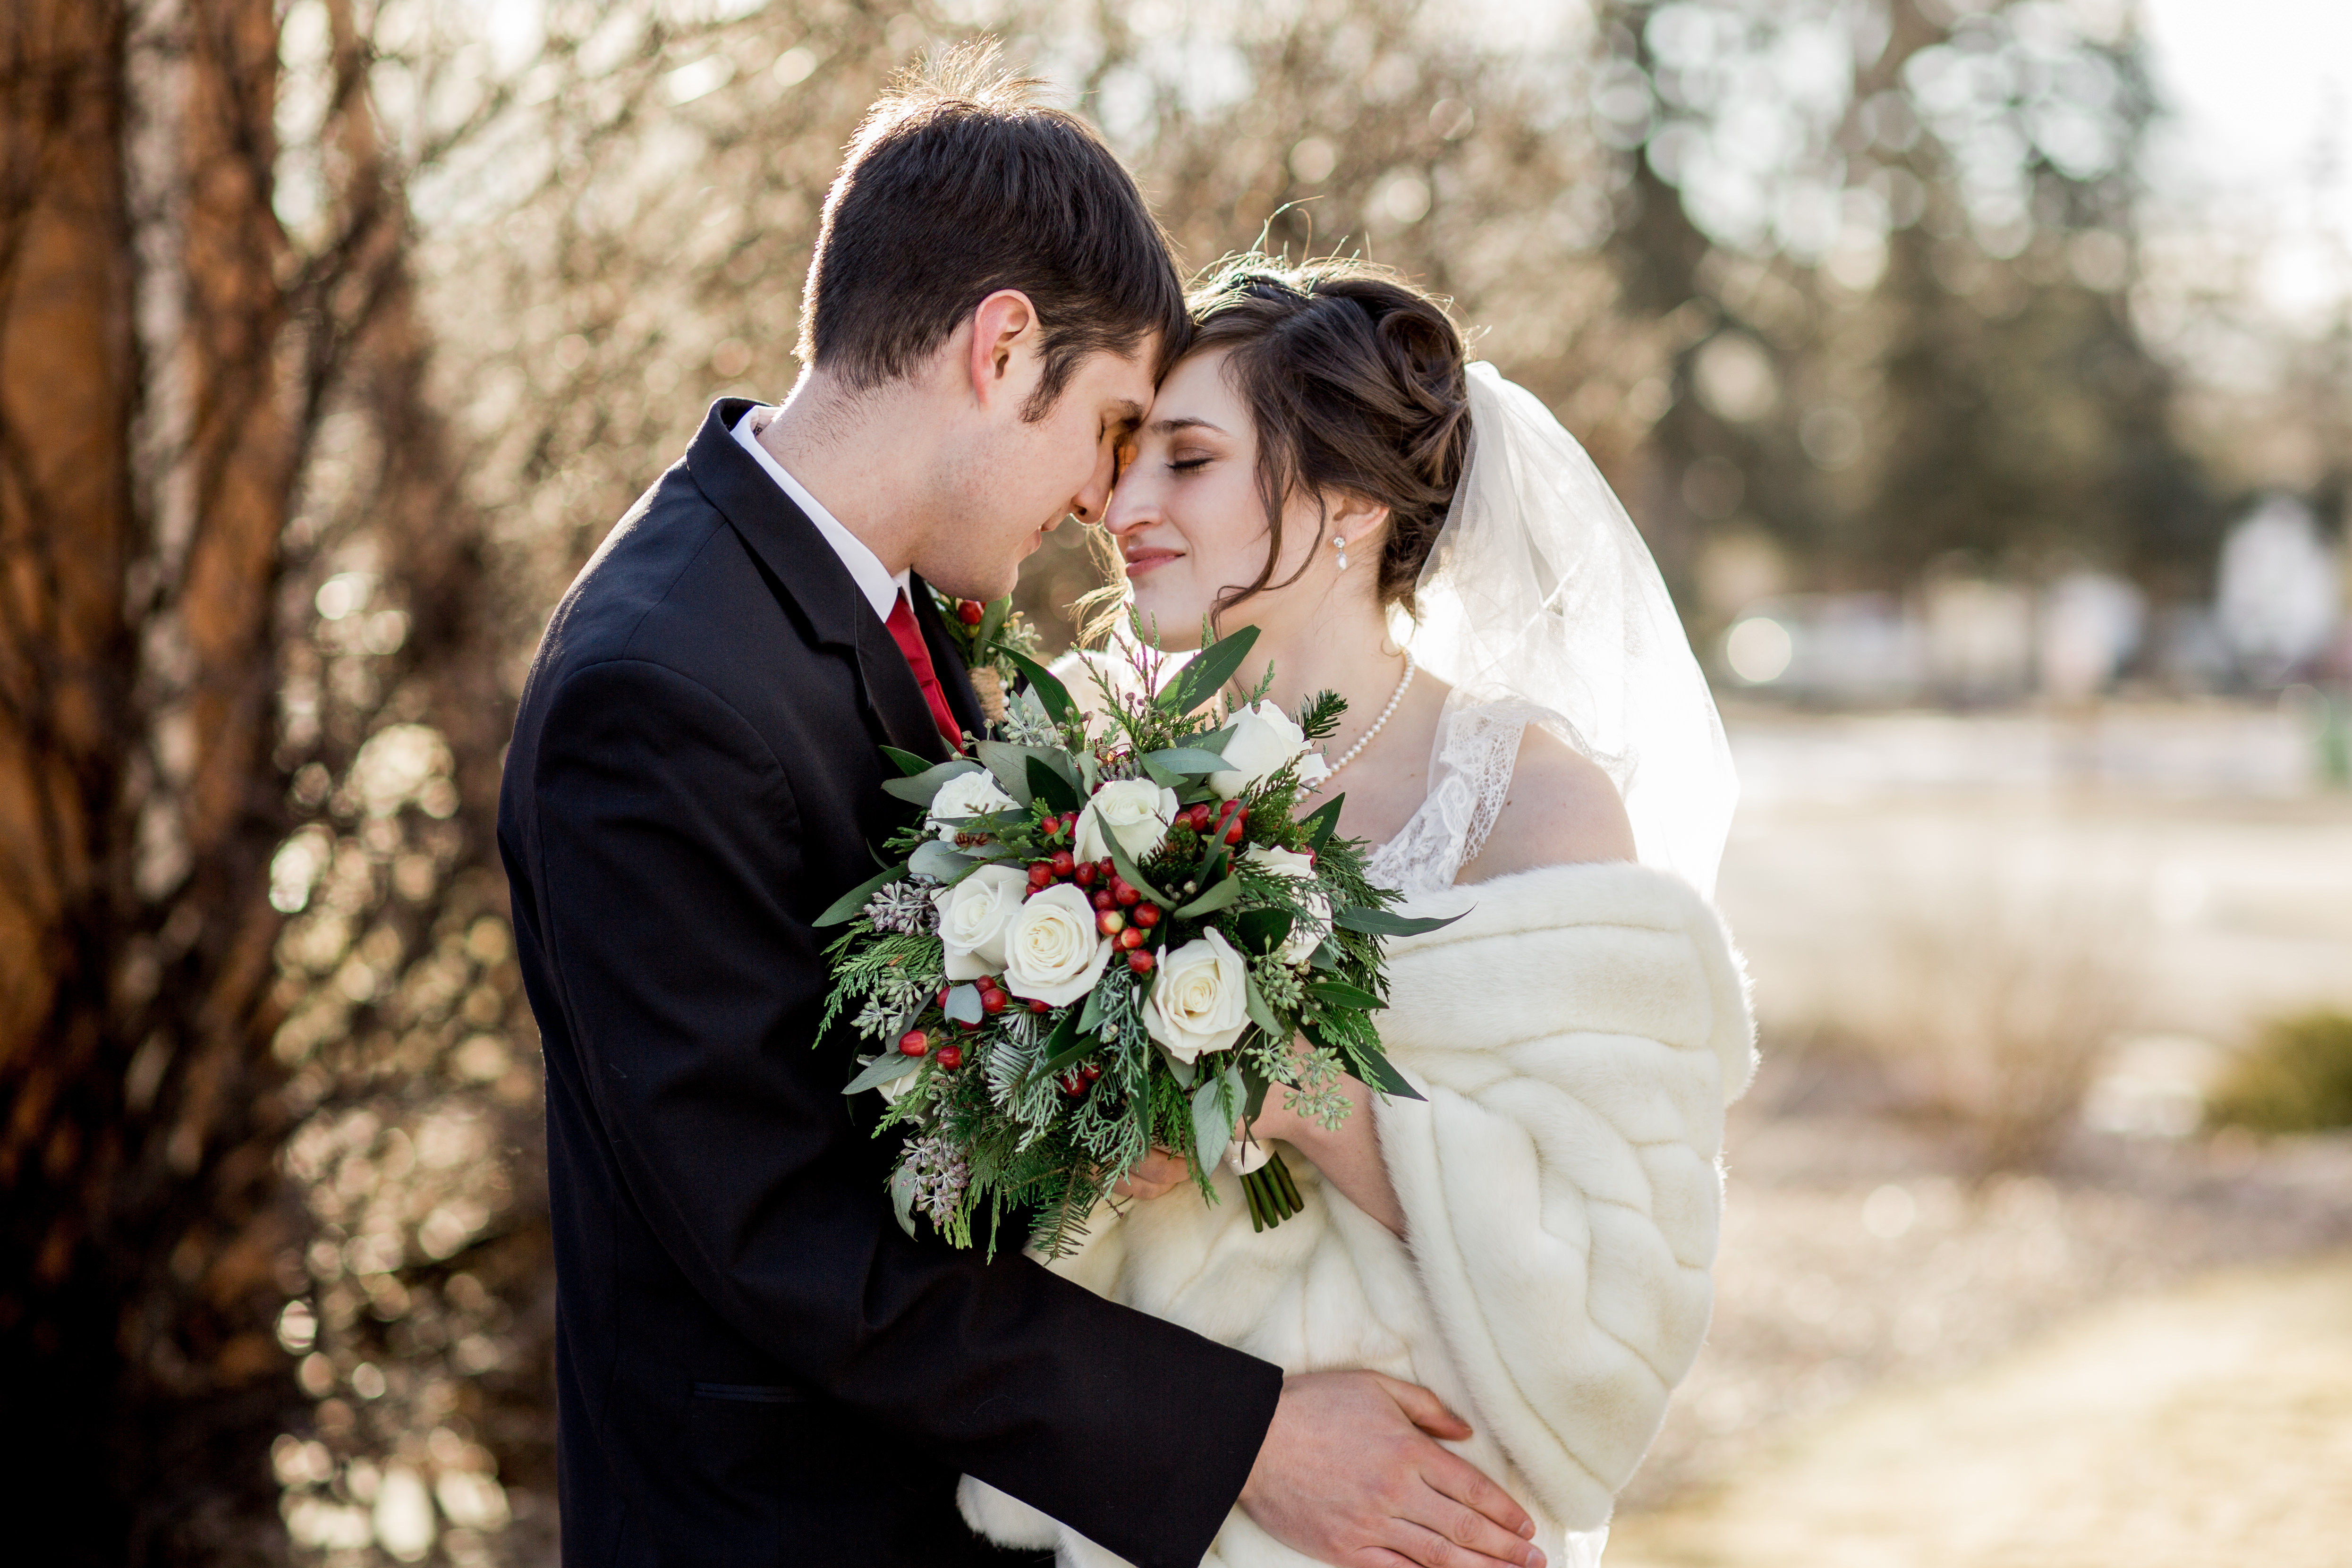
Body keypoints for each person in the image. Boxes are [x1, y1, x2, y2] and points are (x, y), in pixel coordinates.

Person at [496, 55, 1544, 1568]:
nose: (1105, 504)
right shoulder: (658, 687)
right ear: (1001, 350)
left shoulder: (877, 605)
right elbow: (790, 1241)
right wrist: (1249, 1434)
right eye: (1113, 425)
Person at [958, 259, 1757, 1568]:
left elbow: (1620, 1300)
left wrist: (1303, 1096)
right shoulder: (1071, 764)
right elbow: (960, 1204)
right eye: (1124, 456)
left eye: (1189, 460)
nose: (1120, 504)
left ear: (1348, 501)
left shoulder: (1538, 811)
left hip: (1417, 1522)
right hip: (1122, 1508)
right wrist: (1093, 1151)